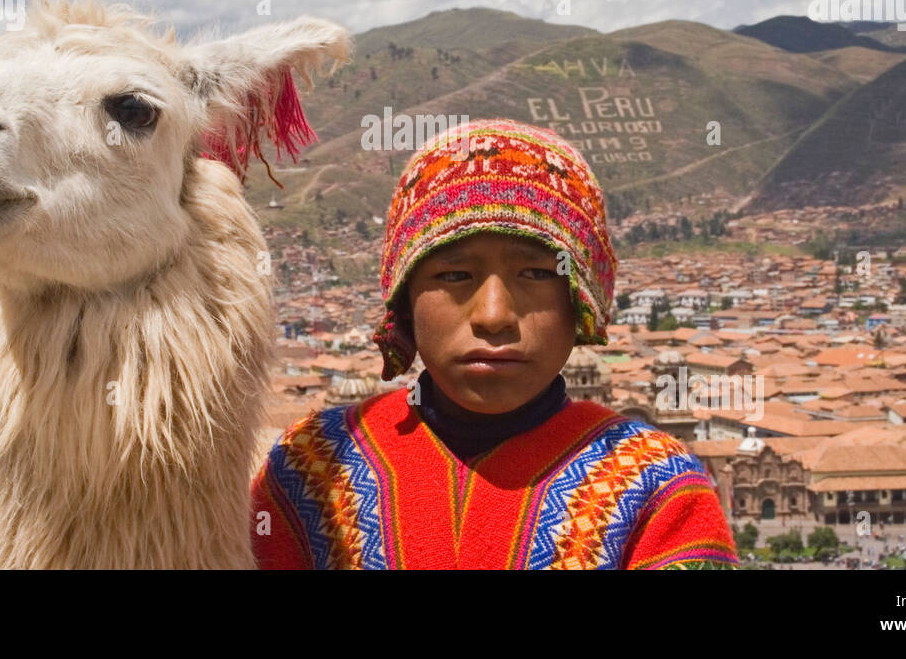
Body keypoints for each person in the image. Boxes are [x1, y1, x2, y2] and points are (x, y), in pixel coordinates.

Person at [249, 118, 739, 569]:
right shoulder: (313, 468)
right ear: (405, 298)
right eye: (455, 274)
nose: (494, 316)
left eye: (536, 273)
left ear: (582, 300)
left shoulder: (658, 490)